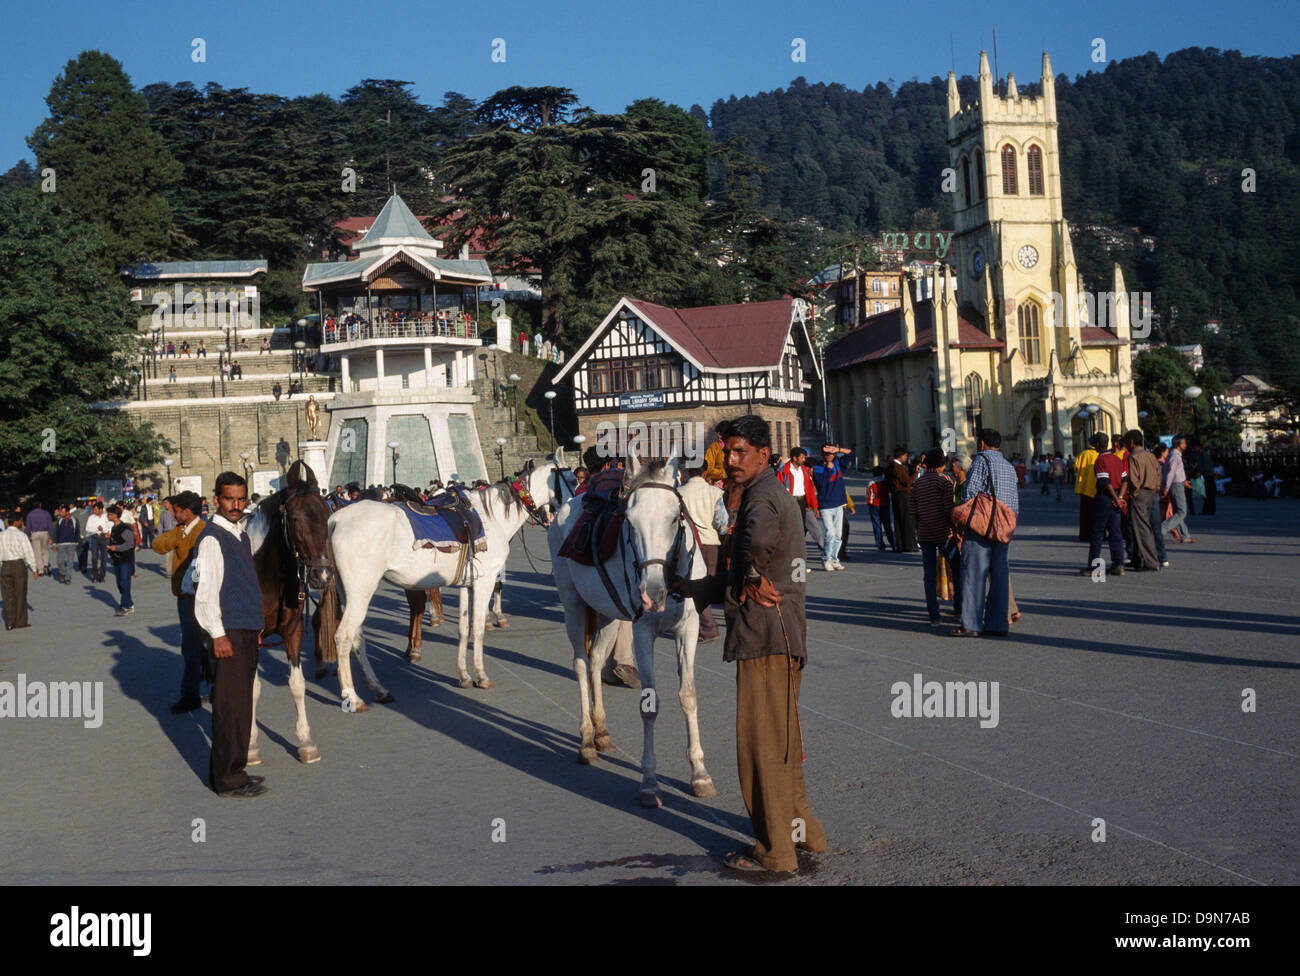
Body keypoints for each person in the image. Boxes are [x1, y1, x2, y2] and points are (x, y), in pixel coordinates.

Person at [677, 415, 826, 873]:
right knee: (783, 742)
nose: (732, 460)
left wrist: (752, 572)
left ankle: (776, 852)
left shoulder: (761, 499)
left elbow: (757, 541)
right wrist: (697, 588)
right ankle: (804, 834)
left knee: (760, 745)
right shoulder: (772, 492)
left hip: (766, 637)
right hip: (781, 634)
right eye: (728, 451)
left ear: (763, 454)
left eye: (741, 452)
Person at [190, 472, 267, 798]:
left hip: (245, 629)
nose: (235, 506)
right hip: (227, 632)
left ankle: (236, 769)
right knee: (228, 705)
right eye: (228, 499)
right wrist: (218, 634)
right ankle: (226, 779)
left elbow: (244, 585)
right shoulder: (211, 539)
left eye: (240, 499)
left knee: (241, 705)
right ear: (216, 499)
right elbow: (205, 592)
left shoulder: (241, 535)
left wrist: (256, 627)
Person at [951, 429, 1019, 638]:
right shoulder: (1009, 466)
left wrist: (962, 519)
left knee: (974, 575)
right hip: (1004, 526)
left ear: (981, 444)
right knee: (999, 575)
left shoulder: (980, 461)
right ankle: (997, 624)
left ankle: (971, 624)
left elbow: (970, 494)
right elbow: (1015, 500)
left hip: (982, 527)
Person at [154, 491, 208, 713]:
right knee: (194, 646)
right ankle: (198, 689)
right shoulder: (182, 530)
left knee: (193, 646)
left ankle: (190, 694)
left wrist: (178, 537)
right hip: (185, 596)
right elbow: (158, 545)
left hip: (199, 598)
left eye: (175, 511)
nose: (172, 514)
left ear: (187, 512)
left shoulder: (202, 531)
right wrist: (178, 535)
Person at [679, 464, 728, 643]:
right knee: (707, 582)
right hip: (710, 543)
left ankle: (706, 626)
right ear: (705, 472)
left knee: (692, 584)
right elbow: (722, 523)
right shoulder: (715, 493)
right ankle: (706, 626)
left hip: (688, 544)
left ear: (686, 471)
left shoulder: (679, 492)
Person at [913, 448, 956, 627]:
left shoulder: (918, 483)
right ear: (942, 464)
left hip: (925, 533)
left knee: (928, 575)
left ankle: (934, 615)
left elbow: (913, 511)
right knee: (956, 570)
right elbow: (948, 509)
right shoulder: (945, 481)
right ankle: (960, 608)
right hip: (944, 532)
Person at [1083, 433, 1126, 578]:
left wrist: (1114, 497)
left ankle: (1094, 567)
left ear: (1096, 445)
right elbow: (1125, 480)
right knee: (1116, 533)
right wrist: (1120, 498)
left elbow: (1105, 482)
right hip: (1116, 497)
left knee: (1098, 533)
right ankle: (1118, 564)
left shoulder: (1100, 460)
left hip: (1104, 498)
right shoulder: (1117, 459)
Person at [1122, 430, 1161, 572]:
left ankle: (1150, 561)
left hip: (1139, 494)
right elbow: (1158, 474)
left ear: (1131, 442)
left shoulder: (1133, 456)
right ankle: (1138, 559)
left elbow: (1133, 479)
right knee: (1142, 526)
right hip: (1151, 493)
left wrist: (1134, 492)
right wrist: (1156, 488)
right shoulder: (1150, 455)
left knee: (1141, 528)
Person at [777, 447, 823, 556]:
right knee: (791, 528)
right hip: (790, 501)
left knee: (801, 528)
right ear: (794, 458)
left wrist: (814, 506)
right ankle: (792, 555)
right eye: (802, 458)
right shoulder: (784, 471)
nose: (804, 460)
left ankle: (799, 554)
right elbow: (778, 488)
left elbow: (810, 489)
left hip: (802, 501)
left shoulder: (804, 470)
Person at [1, 512, 39, 629]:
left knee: (7, 595)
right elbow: (28, 552)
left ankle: (9, 623)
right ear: (16, 522)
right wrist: (34, 568)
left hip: (5, 566)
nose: (22, 523)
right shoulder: (21, 536)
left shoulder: (1, 535)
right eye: (21, 521)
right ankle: (20, 622)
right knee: (20, 593)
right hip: (18, 565)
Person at [1161, 435, 1195, 544]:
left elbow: (1176, 472)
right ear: (1179, 444)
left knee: (1178, 511)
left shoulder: (1174, 455)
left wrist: (1184, 481)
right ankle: (1161, 529)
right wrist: (1166, 488)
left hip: (1177, 483)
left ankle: (1184, 535)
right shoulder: (1175, 456)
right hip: (1175, 485)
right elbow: (1170, 473)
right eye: (1184, 443)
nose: (1185, 445)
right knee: (1182, 511)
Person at [885, 446, 917, 553]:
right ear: (902, 456)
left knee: (898, 520)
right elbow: (907, 481)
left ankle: (900, 544)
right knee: (906, 520)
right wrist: (916, 473)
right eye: (905, 456)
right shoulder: (898, 467)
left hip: (895, 495)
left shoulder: (890, 466)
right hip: (903, 495)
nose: (906, 458)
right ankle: (908, 545)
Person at [105, 504, 136, 615]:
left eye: (110, 514)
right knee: (119, 584)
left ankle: (125, 606)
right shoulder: (114, 528)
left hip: (125, 559)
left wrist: (116, 547)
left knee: (124, 583)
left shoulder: (124, 528)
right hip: (117, 559)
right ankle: (129, 603)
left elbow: (130, 543)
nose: (108, 516)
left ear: (115, 515)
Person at [1074, 437, 1100, 542]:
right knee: (1098, 514)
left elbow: (1076, 467)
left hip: (1084, 488)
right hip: (1097, 488)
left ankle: (1084, 534)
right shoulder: (1099, 455)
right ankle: (1097, 534)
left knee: (1085, 514)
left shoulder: (1082, 454)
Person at [865, 466, 895, 550]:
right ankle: (893, 543)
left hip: (874, 505)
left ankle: (880, 544)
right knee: (888, 525)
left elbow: (869, 495)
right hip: (885, 504)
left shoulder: (871, 482)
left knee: (876, 525)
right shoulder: (886, 481)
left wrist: (869, 504)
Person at [24, 501, 53, 577]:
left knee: (37, 552)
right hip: (44, 532)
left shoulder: (30, 514)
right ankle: (46, 564)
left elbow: (28, 526)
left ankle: (40, 570)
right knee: (45, 550)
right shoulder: (46, 513)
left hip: (35, 533)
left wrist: (28, 536)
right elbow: (50, 524)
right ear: (40, 505)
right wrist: (51, 535)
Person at [53, 504, 80, 584]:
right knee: (60, 562)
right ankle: (63, 573)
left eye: (63, 512)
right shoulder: (59, 520)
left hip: (71, 543)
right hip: (61, 544)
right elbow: (55, 532)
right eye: (61, 511)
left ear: (68, 512)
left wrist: (77, 541)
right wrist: (54, 543)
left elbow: (77, 531)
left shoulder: (74, 520)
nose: (61, 513)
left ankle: (68, 578)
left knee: (70, 561)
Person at [86, 501, 111, 582]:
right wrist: (97, 529)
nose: (94, 511)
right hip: (95, 537)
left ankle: (102, 576)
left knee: (104, 558)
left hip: (105, 538)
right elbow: (87, 529)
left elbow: (111, 526)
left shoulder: (106, 517)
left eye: (96, 509)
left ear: (101, 509)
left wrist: (107, 532)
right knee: (94, 557)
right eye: (94, 509)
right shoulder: (91, 518)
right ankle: (94, 575)